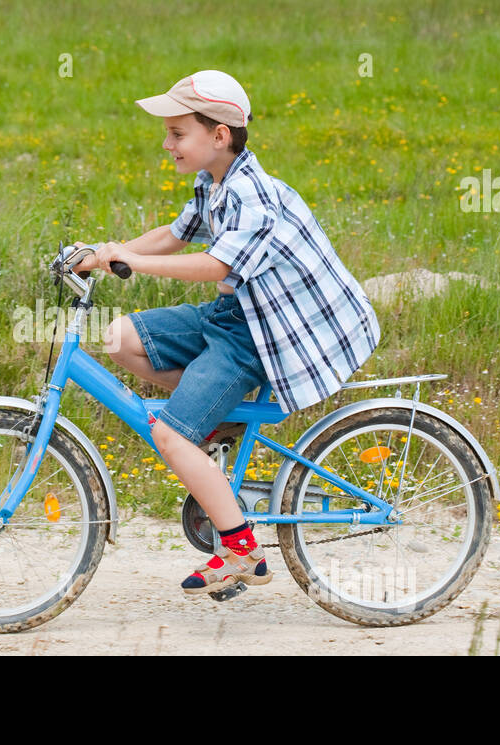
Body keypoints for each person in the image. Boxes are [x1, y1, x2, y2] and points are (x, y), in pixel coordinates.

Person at [73, 70, 381, 596]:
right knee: (115, 337)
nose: (166, 143)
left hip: (257, 335)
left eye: (177, 132)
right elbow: (175, 234)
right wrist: (106, 252)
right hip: (227, 317)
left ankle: (240, 550)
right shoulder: (213, 182)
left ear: (219, 135)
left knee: (168, 433)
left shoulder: (255, 197)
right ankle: (214, 425)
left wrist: (134, 264)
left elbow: (217, 266)